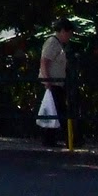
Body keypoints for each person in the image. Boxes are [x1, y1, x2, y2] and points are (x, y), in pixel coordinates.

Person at [39, 18, 72, 147]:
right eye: (69, 33)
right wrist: (47, 79)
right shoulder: (52, 43)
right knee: (55, 109)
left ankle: (51, 139)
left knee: (55, 110)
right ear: (63, 31)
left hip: (57, 83)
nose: (69, 37)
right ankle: (52, 139)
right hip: (52, 83)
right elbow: (44, 61)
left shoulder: (58, 44)